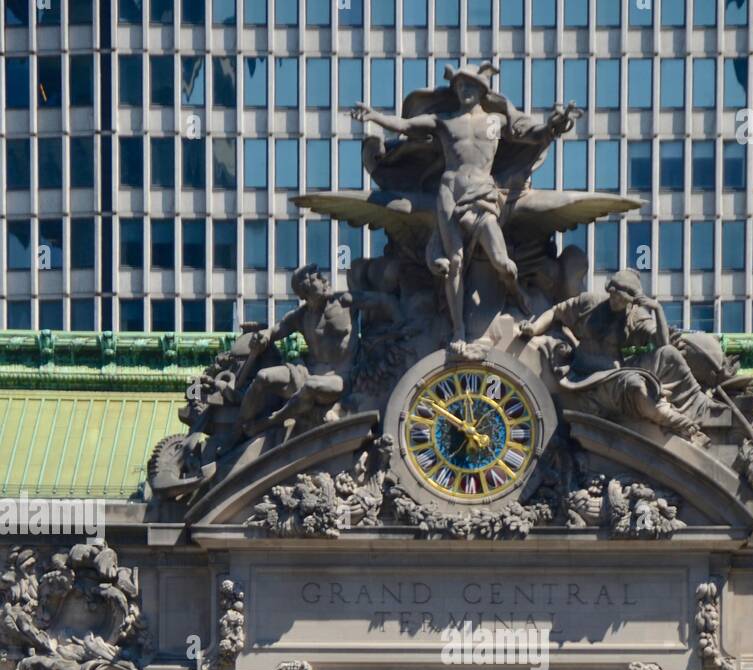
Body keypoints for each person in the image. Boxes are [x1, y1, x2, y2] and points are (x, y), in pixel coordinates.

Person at [352, 63, 578, 345]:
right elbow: (407, 126)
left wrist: (553, 126)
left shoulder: (496, 121)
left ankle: (515, 292)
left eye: (469, 85)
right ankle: (458, 330)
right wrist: (374, 116)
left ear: (482, 89)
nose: (464, 90)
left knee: (501, 262)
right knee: (454, 262)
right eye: (459, 86)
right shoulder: (444, 121)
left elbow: (531, 134)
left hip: (482, 191)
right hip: (450, 191)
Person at [517, 268, 710, 444]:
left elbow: (662, 345)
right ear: (609, 290)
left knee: (669, 355)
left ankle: (700, 403)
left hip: (617, 369)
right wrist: (533, 329)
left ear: (631, 300)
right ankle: (679, 422)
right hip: (588, 370)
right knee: (637, 386)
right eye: (614, 295)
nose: (616, 301)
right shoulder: (589, 302)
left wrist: (657, 310)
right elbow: (556, 312)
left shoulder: (636, 316)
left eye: (622, 299)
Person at [235, 264, 354, 438]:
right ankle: (240, 428)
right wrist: (265, 334)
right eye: (317, 278)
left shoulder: (345, 302)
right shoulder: (302, 316)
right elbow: (278, 329)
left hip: (340, 377)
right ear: (305, 291)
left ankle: (272, 420)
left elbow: (380, 302)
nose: (325, 280)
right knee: (263, 377)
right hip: (307, 372)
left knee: (311, 386)